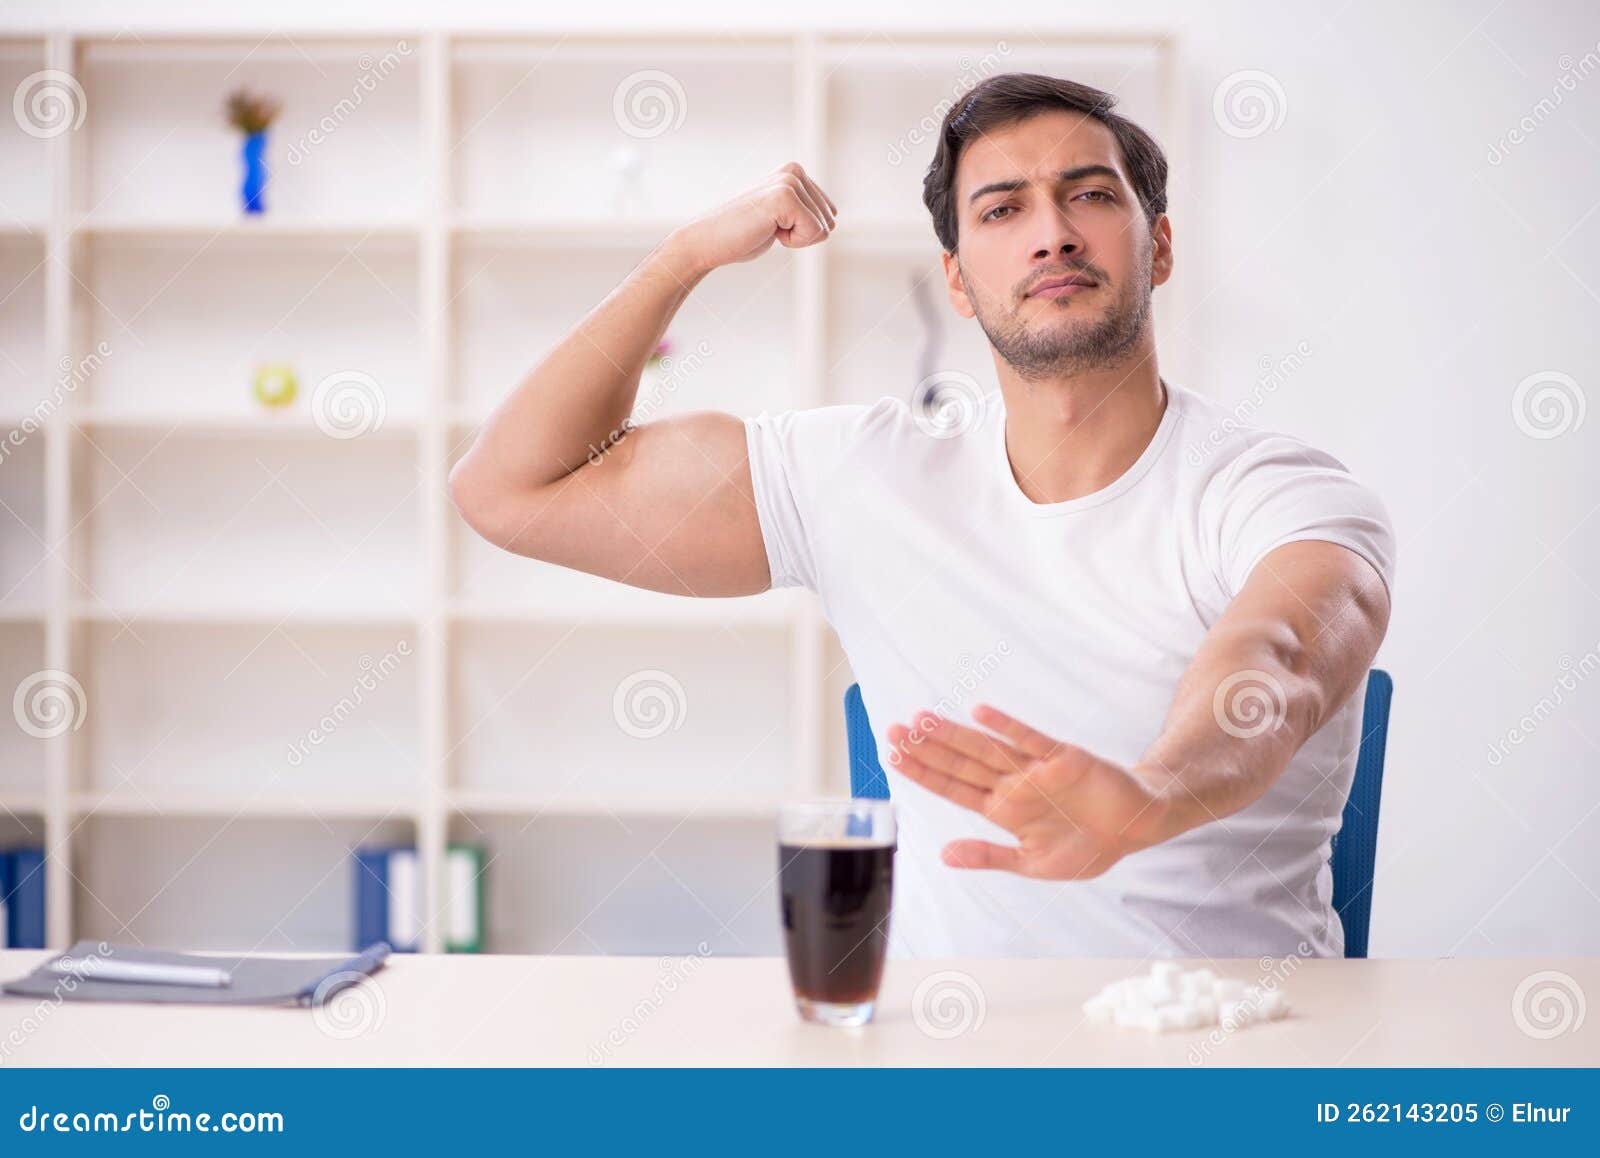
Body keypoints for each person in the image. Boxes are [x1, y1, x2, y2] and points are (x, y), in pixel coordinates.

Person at [449, 72, 1395, 959]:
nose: (1053, 234)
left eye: (1093, 196)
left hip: (1238, 1059)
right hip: (954, 1062)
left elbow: (1280, 660)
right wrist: (683, 255)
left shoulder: (1282, 493)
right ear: (957, 280)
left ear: (1163, 247)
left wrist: (1148, 799)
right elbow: (509, 491)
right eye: (1003, 209)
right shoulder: (862, 475)